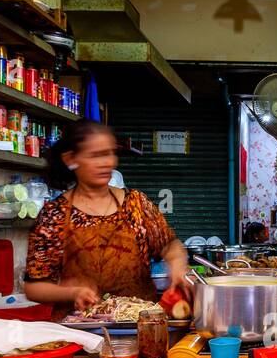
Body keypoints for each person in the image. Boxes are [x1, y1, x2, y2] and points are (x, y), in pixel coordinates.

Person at [25, 120, 189, 317]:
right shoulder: (54, 215)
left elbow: (170, 246)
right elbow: (34, 287)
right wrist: (71, 292)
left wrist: (178, 269)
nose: (108, 162)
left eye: (110, 153)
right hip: (80, 331)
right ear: (70, 159)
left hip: (140, 323)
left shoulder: (136, 204)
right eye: (96, 155)